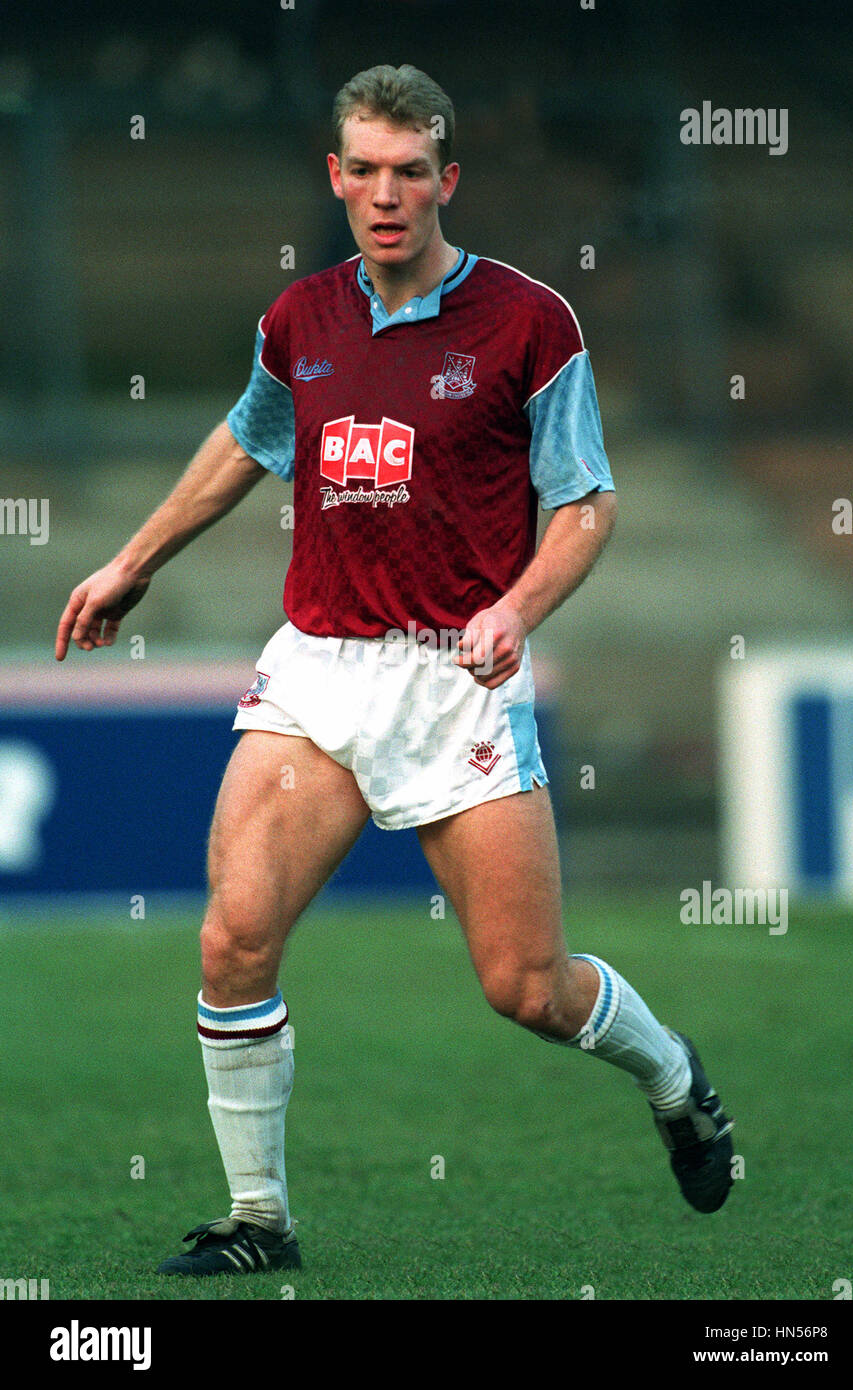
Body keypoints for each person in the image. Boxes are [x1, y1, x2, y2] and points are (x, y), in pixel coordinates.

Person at [55, 64, 734, 1279]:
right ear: (335, 175)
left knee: (524, 986)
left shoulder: (529, 322)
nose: (385, 193)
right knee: (233, 939)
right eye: (362, 169)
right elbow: (246, 441)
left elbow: (584, 502)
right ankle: (259, 1221)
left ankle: (673, 1076)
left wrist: (517, 606)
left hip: (454, 683)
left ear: (445, 179)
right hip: (317, 669)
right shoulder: (300, 318)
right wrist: (132, 561)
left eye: (408, 171)